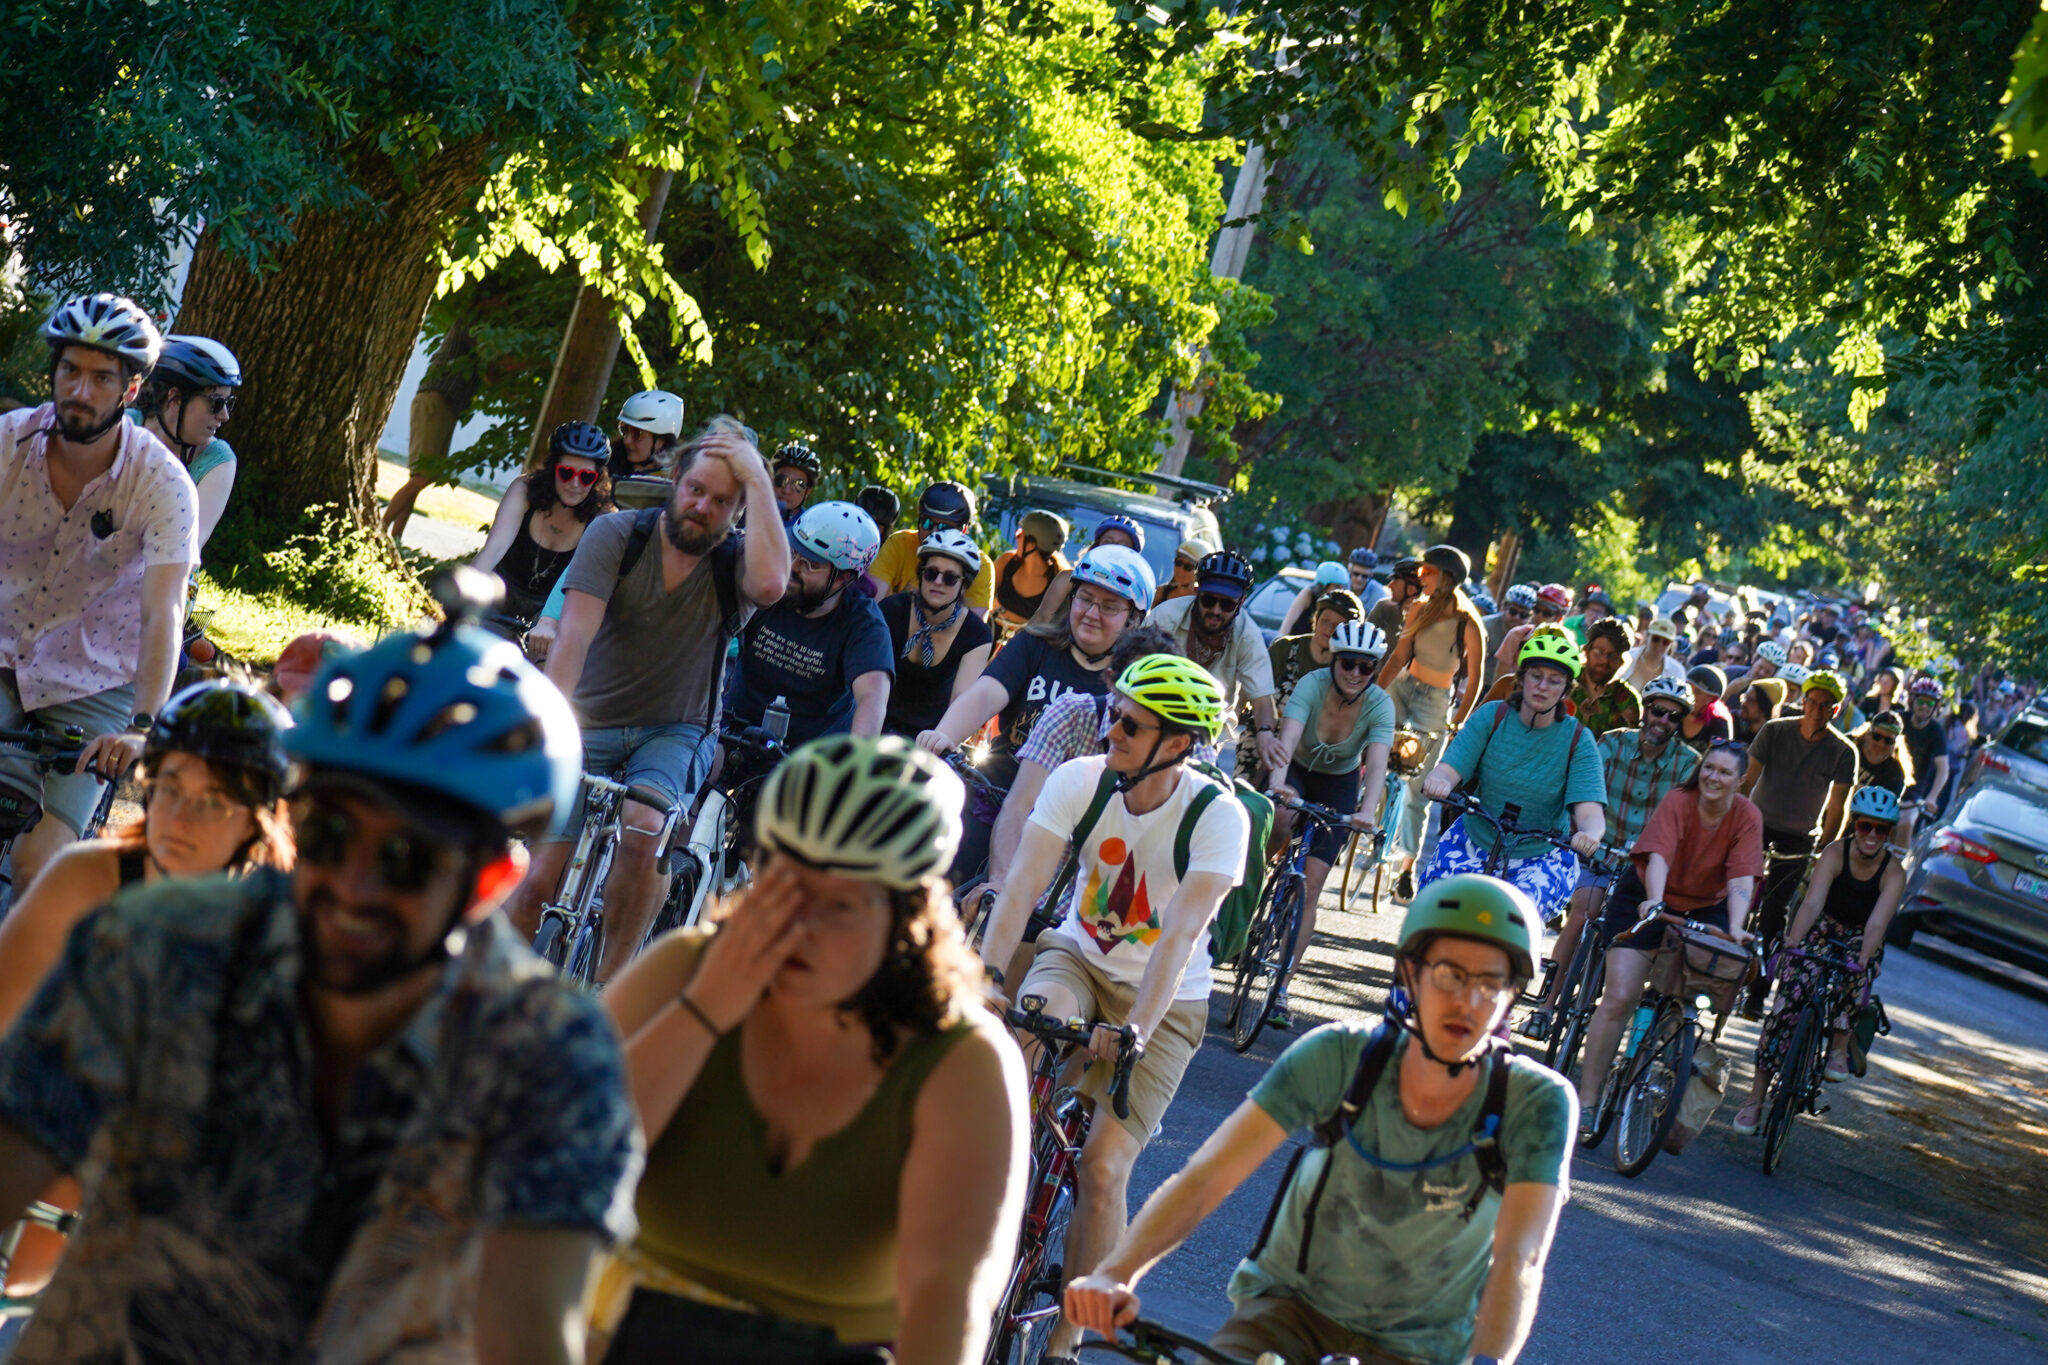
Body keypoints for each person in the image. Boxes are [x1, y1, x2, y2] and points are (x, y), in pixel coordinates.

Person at [0, 587, 639, 1363]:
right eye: (330, 834)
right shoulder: (162, 944)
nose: (353, 885)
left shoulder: (551, 1061)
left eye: (405, 860)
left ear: (491, 882)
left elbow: (530, 1334)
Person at [598, 735, 1026, 1365]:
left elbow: (948, 1302)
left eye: (839, 907)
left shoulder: (963, 1061)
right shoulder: (683, 973)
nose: (800, 927)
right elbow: (554, 1162)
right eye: (783, 888)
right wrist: (703, 1012)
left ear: (911, 915)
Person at [1062, 876, 1572, 1365]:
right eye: (1450, 975)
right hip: (1288, 1313)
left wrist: (1490, 1361)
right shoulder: (1339, 1056)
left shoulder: (1536, 1102)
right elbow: (1207, 1178)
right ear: (1411, 974)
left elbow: (1518, 1258)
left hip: (1424, 1348)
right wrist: (1115, 1273)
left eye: (1491, 983)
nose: (1469, 1001)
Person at [978, 655, 1248, 1365]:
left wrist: (1133, 1032)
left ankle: (1066, 1340)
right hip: (1077, 958)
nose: (1112, 730)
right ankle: (997, 1189)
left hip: (1166, 998)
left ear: (1179, 743)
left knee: (1101, 1166)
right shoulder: (1081, 780)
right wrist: (981, 974)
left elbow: (1180, 939)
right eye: (1112, 712)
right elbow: (1023, 891)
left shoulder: (1218, 819)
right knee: (1028, 1025)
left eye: (1130, 723)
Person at [513, 417, 790, 981]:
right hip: (586, 721)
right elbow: (573, 639)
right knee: (542, 874)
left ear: (737, 512)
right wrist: (553, 734)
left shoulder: (734, 565)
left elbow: (770, 585)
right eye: (695, 491)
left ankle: (611, 988)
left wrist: (759, 481)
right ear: (674, 481)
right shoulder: (619, 536)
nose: (703, 507)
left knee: (643, 828)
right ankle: (490, 987)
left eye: (722, 501)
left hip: (675, 732)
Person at [0, 293, 195, 897]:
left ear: (130, 391)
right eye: (71, 371)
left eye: (101, 378)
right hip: (4, 655)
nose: (80, 391)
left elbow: (164, 610)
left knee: (42, 866)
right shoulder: (7, 443)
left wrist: (142, 726)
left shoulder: (162, 483)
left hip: (94, 682)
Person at [917, 544, 1155, 882]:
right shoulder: (1034, 645)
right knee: (939, 873)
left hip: (1068, 828)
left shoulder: (1134, 682)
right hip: (994, 793)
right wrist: (944, 735)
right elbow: (986, 694)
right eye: (1085, 598)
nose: (1091, 613)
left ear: (1133, 619)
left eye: (1109, 607)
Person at [1572, 741, 1761, 1122]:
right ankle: (1589, 1101)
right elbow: (1659, 855)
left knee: (1686, 1001)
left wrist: (1737, 928)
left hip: (1707, 905)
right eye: (1709, 768)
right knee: (1621, 995)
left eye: (1725, 772)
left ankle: (1658, 1064)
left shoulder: (1747, 816)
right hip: (1645, 894)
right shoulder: (1679, 800)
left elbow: (1741, 876)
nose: (1713, 777)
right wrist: (1655, 900)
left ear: (1741, 781)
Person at [1522, 674, 1698, 1038]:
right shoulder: (1611, 745)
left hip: (1647, 867)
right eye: (1657, 711)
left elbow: (1686, 824)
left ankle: (1620, 1023)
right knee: (1582, 914)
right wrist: (1581, 831)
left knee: (1641, 934)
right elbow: (1580, 788)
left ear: (1680, 723)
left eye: (1673, 716)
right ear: (1644, 711)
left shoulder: (1688, 765)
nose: (1662, 721)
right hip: (1598, 852)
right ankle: (1546, 1005)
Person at [1733, 784, 1906, 1133]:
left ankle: (1838, 1048)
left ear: (1889, 833)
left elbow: (1877, 922)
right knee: (1786, 1004)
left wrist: (1862, 957)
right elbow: (1811, 903)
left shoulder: (1893, 872)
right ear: (1854, 824)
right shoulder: (1834, 853)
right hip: (1821, 928)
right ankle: (1755, 1099)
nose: (1872, 835)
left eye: (1881, 829)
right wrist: (1793, 942)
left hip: (1860, 935)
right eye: (1865, 826)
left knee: (1855, 976)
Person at [979, 627, 1182, 917]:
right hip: (1046, 889)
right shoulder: (1072, 714)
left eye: (1155, 685)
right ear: (1111, 680)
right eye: (1134, 681)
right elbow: (1019, 805)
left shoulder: (1182, 743)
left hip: (1125, 904)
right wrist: (1001, 883)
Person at [1419, 632, 1606, 931]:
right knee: (1432, 910)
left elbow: (1590, 813)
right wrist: (1438, 781)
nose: (1542, 686)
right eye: (1536, 675)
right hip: (1474, 838)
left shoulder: (1577, 740)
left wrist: (1590, 835)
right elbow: (1448, 769)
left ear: (1567, 689)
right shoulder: (1492, 716)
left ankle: (1507, 974)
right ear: (1521, 678)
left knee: (1517, 919)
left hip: (1540, 855)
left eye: (1554, 680)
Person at [1265, 621, 1397, 1027]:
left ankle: (1282, 989)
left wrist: (1367, 810)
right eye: (1348, 664)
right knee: (1281, 815)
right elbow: (1287, 740)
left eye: (1366, 667)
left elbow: (1376, 764)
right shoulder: (1311, 684)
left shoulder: (1380, 704)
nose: (1356, 674)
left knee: (1313, 885)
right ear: (1334, 660)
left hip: (1339, 781)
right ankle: (1257, 881)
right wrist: (1276, 783)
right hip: (1298, 768)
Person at [1738, 669, 1859, 1015]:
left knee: (1776, 911)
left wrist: (1825, 850)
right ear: (1802, 702)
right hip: (1757, 824)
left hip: (1798, 838)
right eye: (1812, 703)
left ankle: (1758, 992)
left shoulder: (1842, 751)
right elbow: (1748, 780)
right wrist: (1738, 822)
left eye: (1826, 706)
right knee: (1732, 892)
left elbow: (1837, 808)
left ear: (1835, 711)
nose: (1817, 711)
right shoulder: (1775, 731)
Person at [728, 501, 893, 744]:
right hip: (733, 731)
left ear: (843, 578)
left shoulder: (865, 625)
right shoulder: (768, 584)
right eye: (793, 552)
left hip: (810, 756)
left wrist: (856, 760)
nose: (793, 567)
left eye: (811, 564)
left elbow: (872, 698)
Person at [1377, 544, 1489, 900]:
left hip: (1436, 701)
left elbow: (1476, 678)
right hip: (1404, 687)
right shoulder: (1418, 610)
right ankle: (1370, 812)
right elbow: (1399, 656)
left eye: (1428, 572)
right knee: (1379, 748)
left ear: (1447, 577)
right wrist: (1373, 695)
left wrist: (1459, 721)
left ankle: (1406, 868)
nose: (1420, 577)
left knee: (1419, 791)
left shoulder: (1467, 621)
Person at [1144, 550, 1287, 773]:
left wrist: (1266, 733)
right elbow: (1132, 670)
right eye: (1209, 600)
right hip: (1153, 714)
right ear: (1197, 592)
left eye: (1227, 604)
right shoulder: (1165, 617)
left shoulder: (1248, 635)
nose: (1216, 611)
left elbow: (1262, 699)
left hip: (1208, 733)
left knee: (1199, 787)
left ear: (1241, 602)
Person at [470, 420, 614, 629]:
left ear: (597, 478)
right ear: (553, 469)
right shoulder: (523, 490)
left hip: (548, 614)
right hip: (497, 593)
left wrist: (554, 624)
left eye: (586, 476)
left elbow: (588, 590)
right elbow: (494, 549)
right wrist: (466, 591)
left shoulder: (603, 519)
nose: (575, 484)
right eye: (566, 473)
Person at [130, 334, 241, 549]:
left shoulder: (217, 460)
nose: (224, 416)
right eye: (216, 403)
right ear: (175, 398)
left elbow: (187, 545)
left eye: (229, 403)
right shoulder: (123, 428)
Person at [881, 528, 994, 740]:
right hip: (876, 725)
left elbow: (960, 706)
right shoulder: (891, 609)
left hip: (929, 741)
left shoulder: (976, 635)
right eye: (931, 573)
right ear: (921, 576)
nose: (938, 582)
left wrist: (937, 745)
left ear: (963, 586)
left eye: (950, 578)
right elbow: (868, 682)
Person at [873, 481, 995, 615]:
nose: (934, 531)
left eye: (945, 527)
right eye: (927, 523)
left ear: (964, 530)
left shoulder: (980, 566)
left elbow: (975, 629)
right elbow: (873, 605)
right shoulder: (899, 543)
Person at [1266, 587, 1363, 709]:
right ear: (1315, 620)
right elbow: (1254, 689)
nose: (1329, 629)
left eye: (1337, 626)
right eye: (1325, 621)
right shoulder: (1284, 648)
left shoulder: (1352, 669)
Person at [990, 509, 1072, 636]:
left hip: (1024, 646)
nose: (1016, 537)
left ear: (1032, 544)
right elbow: (983, 599)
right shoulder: (1007, 562)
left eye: (1020, 534)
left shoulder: (1058, 580)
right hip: (990, 635)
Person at [1569, 619, 1642, 737]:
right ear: (1586, 651)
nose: (1604, 660)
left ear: (1621, 662)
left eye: (1612, 656)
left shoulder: (1627, 701)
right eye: (1599, 652)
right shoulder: (1565, 683)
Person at [1898, 677, 1950, 831]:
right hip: (1884, 782)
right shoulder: (1898, 719)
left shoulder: (1936, 731)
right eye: (1921, 701)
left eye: (1931, 703)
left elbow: (1943, 768)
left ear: (1936, 707)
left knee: (1905, 825)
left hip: (1912, 793)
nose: (1925, 707)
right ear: (1912, 701)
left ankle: (1899, 856)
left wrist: (1932, 797)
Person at [610, 388, 687, 481]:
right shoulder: (606, 469)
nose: (627, 441)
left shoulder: (680, 481)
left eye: (637, 434)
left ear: (661, 443)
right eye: (624, 429)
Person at [1479, 583, 1537, 695]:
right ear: (1504, 607)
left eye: (1523, 615)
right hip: (1480, 684)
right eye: (1513, 612)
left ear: (1531, 616)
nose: (1517, 618)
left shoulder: (1532, 635)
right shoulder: (1485, 625)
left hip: (1508, 689)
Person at [1849, 711, 1912, 799]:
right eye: (1876, 737)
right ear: (1867, 733)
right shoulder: (1847, 746)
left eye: (1888, 741)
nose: (1881, 744)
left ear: (1895, 745)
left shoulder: (1895, 774)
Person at [1276, 561, 1349, 638]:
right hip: (1297, 645)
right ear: (1323, 585)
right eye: (1336, 586)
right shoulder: (1308, 594)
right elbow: (1288, 621)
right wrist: (1280, 641)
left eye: (1343, 587)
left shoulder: (1340, 603)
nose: (1341, 590)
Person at [1678, 664, 1734, 751]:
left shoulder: (1719, 722)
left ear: (1710, 699)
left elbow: (1717, 758)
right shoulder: (1674, 710)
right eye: (1688, 686)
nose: (1689, 692)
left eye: (1697, 691)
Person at [1619, 616, 1685, 690]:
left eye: (1665, 642)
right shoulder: (1628, 656)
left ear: (1671, 645)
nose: (1660, 645)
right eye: (1656, 639)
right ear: (1647, 637)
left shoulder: (1677, 671)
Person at [1365, 556, 1424, 639]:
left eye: (1395, 581)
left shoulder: (1425, 621)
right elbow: (1364, 638)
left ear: (1411, 589)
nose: (1390, 585)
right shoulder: (1383, 607)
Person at [770, 440, 821, 525]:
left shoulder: (811, 528)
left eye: (798, 485)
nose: (787, 490)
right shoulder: (745, 512)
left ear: (808, 491)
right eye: (781, 480)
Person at [1155, 538, 1211, 605]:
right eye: (1178, 562)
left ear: (1199, 573)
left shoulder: (1201, 603)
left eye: (1188, 567)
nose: (1180, 570)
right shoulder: (1160, 593)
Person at [1733, 677, 1785, 744]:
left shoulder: (1773, 740)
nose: (1744, 703)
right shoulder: (1732, 722)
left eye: (1751, 700)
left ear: (1765, 707)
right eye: (1745, 697)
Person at [1348, 546, 1388, 614]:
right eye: (1356, 574)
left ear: (1371, 575)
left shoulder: (1378, 594)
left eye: (1364, 576)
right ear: (1350, 570)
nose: (1359, 579)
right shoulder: (1341, 584)